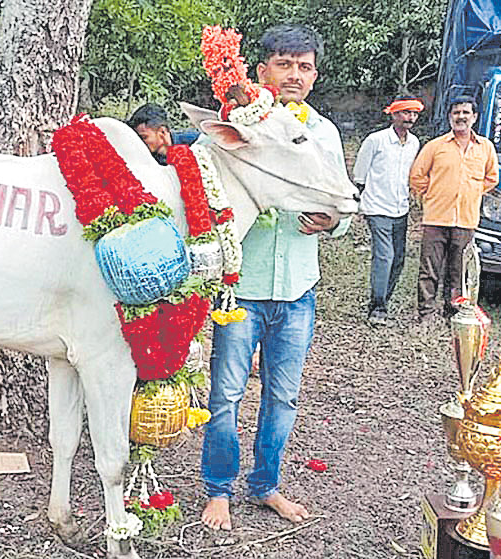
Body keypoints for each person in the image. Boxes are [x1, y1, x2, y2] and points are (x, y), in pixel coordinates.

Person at [200, 24, 351, 531]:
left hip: (298, 291)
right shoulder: (239, 126)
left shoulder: (325, 133)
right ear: (261, 70)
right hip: (240, 289)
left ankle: (266, 486)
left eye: (304, 66)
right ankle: (218, 489)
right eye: (284, 64)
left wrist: (335, 221)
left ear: (314, 75)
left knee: (282, 396)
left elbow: (341, 199)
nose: (295, 75)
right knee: (225, 394)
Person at [410, 95, 499, 321]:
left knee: (458, 271)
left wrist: (471, 192)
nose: (461, 117)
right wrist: (433, 195)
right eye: (456, 112)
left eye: (465, 112)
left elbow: (491, 178)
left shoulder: (485, 148)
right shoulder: (436, 146)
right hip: (436, 219)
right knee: (429, 269)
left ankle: (453, 312)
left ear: (474, 117)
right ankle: (427, 313)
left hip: (466, 221)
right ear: (450, 116)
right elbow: (417, 176)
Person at [352, 96, 424, 325]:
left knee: (399, 259)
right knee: (385, 256)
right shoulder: (376, 140)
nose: (410, 118)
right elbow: (360, 174)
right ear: (393, 115)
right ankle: (378, 308)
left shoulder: (414, 143)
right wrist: (361, 201)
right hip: (377, 206)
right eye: (405, 112)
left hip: (400, 207)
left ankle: (382, 300)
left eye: (413, 113)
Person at [126, 103, 199, 165]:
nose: (140, 142)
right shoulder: (143, 158)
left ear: (162, 132)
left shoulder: (196, 143)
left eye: (144, 137)